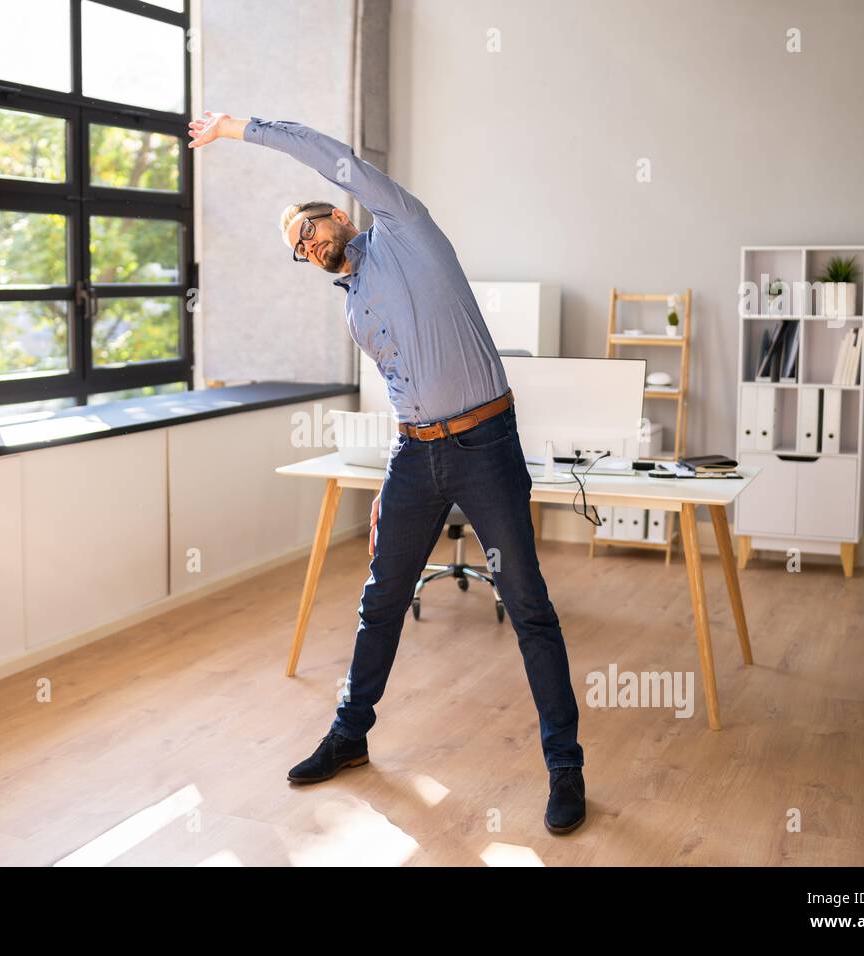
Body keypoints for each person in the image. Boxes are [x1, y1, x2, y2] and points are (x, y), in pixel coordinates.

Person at [187, 111, 585, 834]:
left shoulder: (406, 227)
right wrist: (404, 460)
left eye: (311, 228)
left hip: (486, 445)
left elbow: (328, 153)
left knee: (528, 603)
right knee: (380, 597)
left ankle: (565, 766)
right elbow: (404, 382)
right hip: (416, 454)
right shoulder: (353, 309)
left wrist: (237, 129)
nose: (308, 244)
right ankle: (350, 735)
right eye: (298, 247)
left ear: (338, 212)